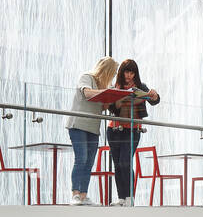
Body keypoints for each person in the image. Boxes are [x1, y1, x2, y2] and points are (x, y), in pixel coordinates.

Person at [65, 56, 119, 205]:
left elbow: (100, 107)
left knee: (89, 162)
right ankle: (75, 194)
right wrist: (105, 91)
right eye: (113, 73)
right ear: (106, 70)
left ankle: (83, 195)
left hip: (93, 128)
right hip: (79, 125)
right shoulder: (87, 77)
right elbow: (87, 93)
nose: (113, 76)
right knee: (81, 159)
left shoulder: (102, 85)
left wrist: (110, 99)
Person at [107, 59, 160, 206]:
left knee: (125, 161)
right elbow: (112, 109)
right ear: (121, 72)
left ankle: (130, 197)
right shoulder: (115, 87)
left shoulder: (140, 86)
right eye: (126, 72)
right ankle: (121, 198)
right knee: (117, 164)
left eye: (131, 72)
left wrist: (154, 96)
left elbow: (154, 100)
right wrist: (120, 97)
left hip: (132, 130)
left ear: (135, 74)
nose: (129, 75)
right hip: (114, 129)